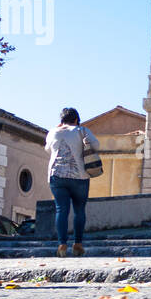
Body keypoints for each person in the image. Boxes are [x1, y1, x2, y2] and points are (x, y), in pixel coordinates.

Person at [44, 107, 99, 257]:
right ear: (76, 119)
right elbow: (96, 146)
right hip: (79, 176)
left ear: (61, 120)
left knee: (61, 210)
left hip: (57, 176)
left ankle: (62, 244)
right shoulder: (82, 130)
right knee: (79, 211)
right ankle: (78, 244)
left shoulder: (53, 132)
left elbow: (48, 149)